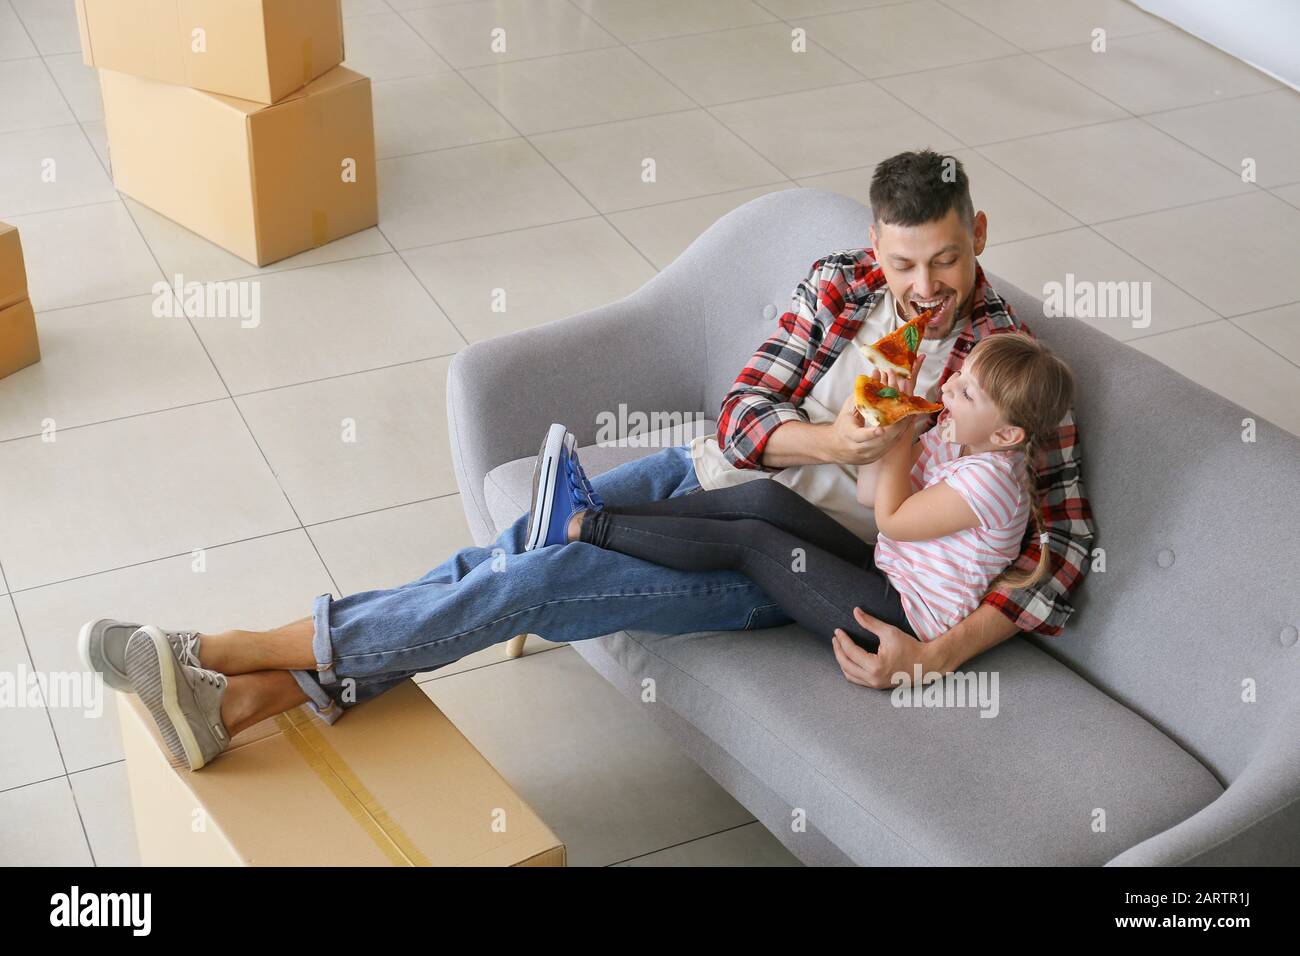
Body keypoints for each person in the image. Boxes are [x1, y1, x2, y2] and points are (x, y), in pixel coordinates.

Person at [77, 149, 1096, 770]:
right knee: (511, 549)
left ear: (981, 235)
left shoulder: (1005, 370)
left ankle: (227, 650)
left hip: (793, 561)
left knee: (545, 571)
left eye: (947, 259)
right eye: (902, 262)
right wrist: (830, 438)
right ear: (876, 245)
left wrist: (932, 655)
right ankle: (245, 697)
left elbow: (1058, 551)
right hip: (709, 477)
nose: (921, 286)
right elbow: (744, 415)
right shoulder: (839, 283)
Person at [567, 333, 1075, 657]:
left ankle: (593, 528)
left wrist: (900, 427)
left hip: (902, 620)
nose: (948, 389)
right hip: (883, 575)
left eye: (966, 394)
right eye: (959, 376)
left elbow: (892, 520)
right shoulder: (954, 438)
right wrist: (887, 420)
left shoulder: (991, 481)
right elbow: (873, 492)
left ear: (1008, 436)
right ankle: (595, 510)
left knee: (753, 543)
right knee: (764, 500)